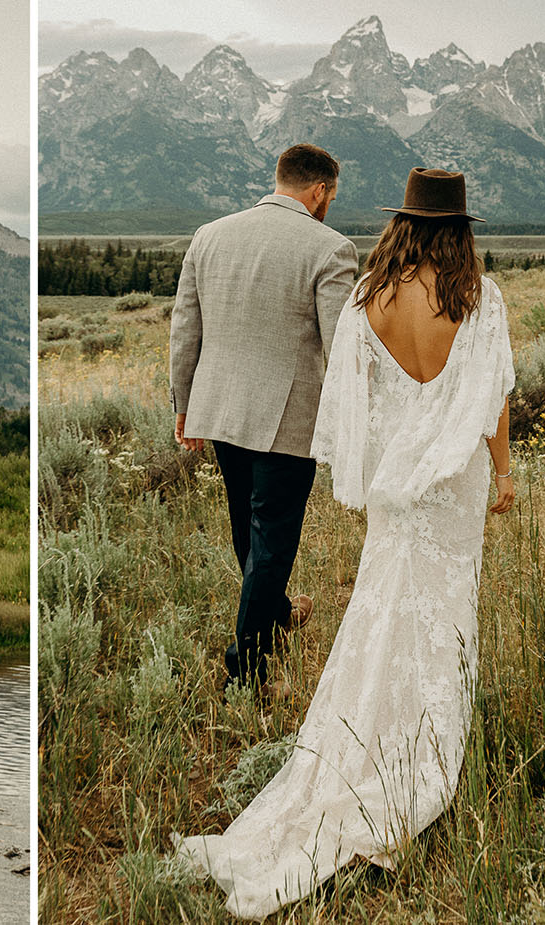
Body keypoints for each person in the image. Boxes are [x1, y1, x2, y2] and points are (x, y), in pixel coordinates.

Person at [175, 167, 516, 916]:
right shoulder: (480, 299)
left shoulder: (369, 299)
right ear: (460, 231)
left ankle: (361, 740)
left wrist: (380, 459)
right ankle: (422, 752)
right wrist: (504, 471)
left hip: (394, 487)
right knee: (444, 610)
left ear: (402, 224)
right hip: (450, 486)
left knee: (381, 608)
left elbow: (348, 395)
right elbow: (491, 397)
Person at [169, 143, 359, 690]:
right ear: (319, 191)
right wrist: (353, 419)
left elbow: (185, 327)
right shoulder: (331, 248)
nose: (328, 204)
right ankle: (246, 676)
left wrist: (184, 404)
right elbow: (340, 346)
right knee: (271, 541)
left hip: (220, 410)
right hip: (287, 419)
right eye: (331, 196)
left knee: (248, 532)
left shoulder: (209, 235)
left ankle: (277, 614)